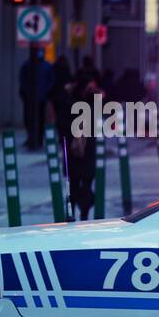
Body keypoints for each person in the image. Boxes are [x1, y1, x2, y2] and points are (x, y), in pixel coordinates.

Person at [68, 67, 102, 220]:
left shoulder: (70, 99)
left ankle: (74, 213)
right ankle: (82, 214)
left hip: (76, 150)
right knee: (81, 184)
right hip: (82, 150)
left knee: (75, 184)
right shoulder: (88, 101)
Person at [17, 47, 53, 150]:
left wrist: (46, 92)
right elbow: (22, 79)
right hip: (31, 98)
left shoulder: (46, 66)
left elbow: (50, 81)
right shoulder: (27, 65)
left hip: (41, 98)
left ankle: (38, 139)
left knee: (39, 119)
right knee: (29, 119)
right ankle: (32, 138)